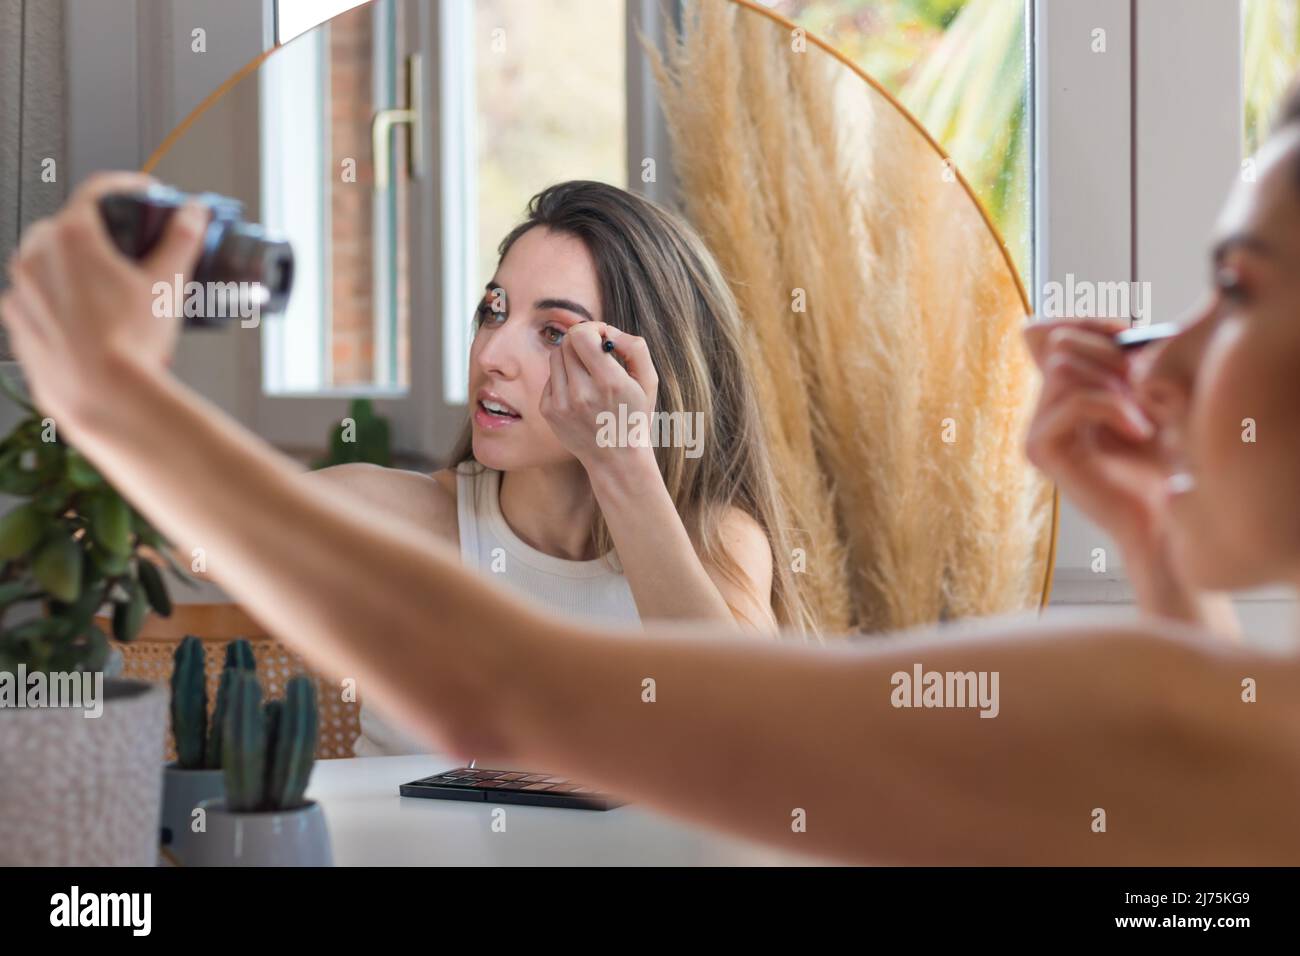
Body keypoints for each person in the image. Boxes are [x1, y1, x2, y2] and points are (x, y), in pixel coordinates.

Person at [6, 83, 1300, 864]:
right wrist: (1162, 551)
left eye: (1234, 287)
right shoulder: (1247, 719)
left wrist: (108, 391)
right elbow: (1193, 784)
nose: (1164, 348)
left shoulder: (708, 529)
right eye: (489, 309)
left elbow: (512, 692)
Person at [302, 180, 811, 755]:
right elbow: (196, 517)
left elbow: (753, 746)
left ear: (646, 372)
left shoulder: (714, 542)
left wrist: (621, 462)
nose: (490, 357)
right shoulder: (392, 520)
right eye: (494, 312)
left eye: (552, 333)